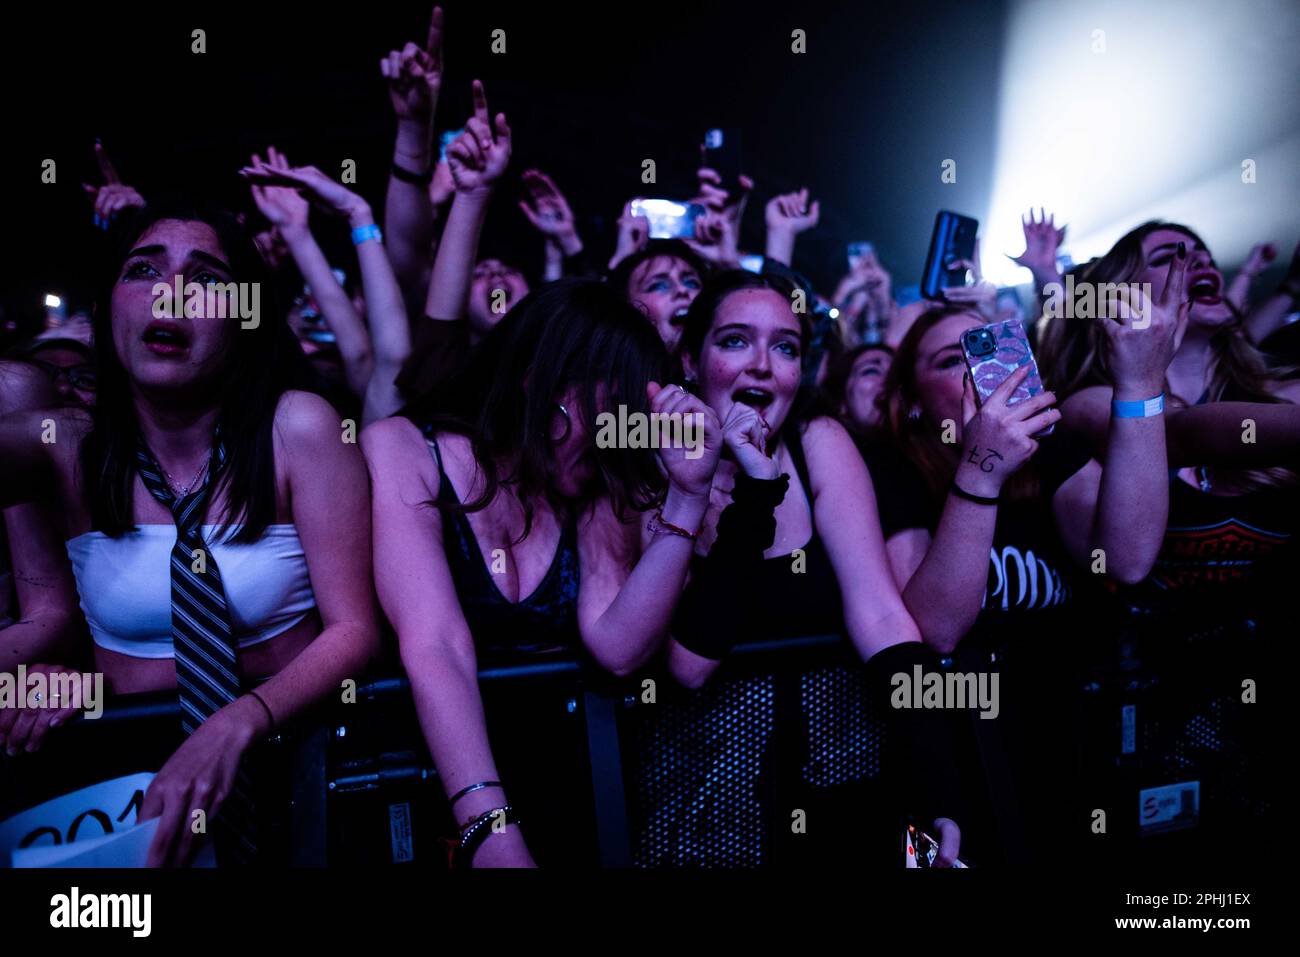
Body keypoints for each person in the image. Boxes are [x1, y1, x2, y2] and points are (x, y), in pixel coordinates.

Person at [0, 199, 379, 866]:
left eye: (205, 278)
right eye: (143, 270)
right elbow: (58, 622)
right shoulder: (66, 448)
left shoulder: (299, 428)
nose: (170, 291)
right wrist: (64, 686)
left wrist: (237, 722)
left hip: (289, 769)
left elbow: (355, 630)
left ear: (244, 318)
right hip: (128, 792)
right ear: (107, 311)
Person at [363, 279, 724, 867]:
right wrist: (491, 830)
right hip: (430, 789)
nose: (614, 442)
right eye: (607, 416)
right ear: (541, 382)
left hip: (560, 789)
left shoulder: (587, 484)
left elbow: (618, 648)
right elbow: (437, 645)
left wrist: (688, 497)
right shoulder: (405, 449)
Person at [635, 269, 964, 867]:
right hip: (711, 801)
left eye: (784, 347)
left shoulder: (819, 441)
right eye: (735, 340)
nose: (762, 364)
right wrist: (754, 492)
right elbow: (688, 665)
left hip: (843, 782)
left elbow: (884, 616)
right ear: (689, 360)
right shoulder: (653, 467)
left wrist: (934, 790)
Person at [866, 250, 1186, 862]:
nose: (975, 371)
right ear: (910, 400)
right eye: (946, 361)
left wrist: (1141, 385)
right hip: (958, 751)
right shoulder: (892, 467)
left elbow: (1127, 559)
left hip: (1063, 736)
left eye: (985, 349)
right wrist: (982, 469)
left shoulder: (1055, 449)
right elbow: (935, 629)